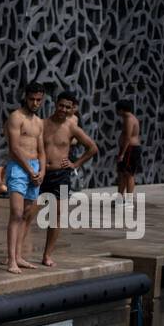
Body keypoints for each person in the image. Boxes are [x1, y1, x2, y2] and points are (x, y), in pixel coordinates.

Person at [38, 91, 98, 266]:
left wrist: (75, 164)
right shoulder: (42, 124)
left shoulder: (72, 127)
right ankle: (16, 254)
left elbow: (92, 148)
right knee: (26, 214)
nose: (63, 109)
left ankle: (47, 255)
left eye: (67, 107)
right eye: (61, 105)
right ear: (56, 104)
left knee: (56, 217)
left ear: (72, 109)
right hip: (41, 174)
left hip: (61, 176)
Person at [2, 81, 47, 274]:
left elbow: (42, 150)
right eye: (32, 99)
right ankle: (11, 259)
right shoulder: (16, 117)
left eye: (39, 100)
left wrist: (42, 171)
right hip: (19, 169)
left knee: (28, 215)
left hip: (35, 169)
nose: (35, 103)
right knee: (16, 213)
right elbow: (14, 148)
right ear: (25, 97)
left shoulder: (39, 122)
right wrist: (29, 170)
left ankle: (19, 256)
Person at [115, 98, 142, 198]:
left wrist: (122, 154)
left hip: (130, 149)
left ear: (121, 109)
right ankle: (120, 198)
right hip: (128, 149)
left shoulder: (129, 119)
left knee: (128, 174)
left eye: (117, 110)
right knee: (122, 174)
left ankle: (129, 200)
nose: (117, 112)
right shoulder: (129, 118)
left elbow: (127, 137)